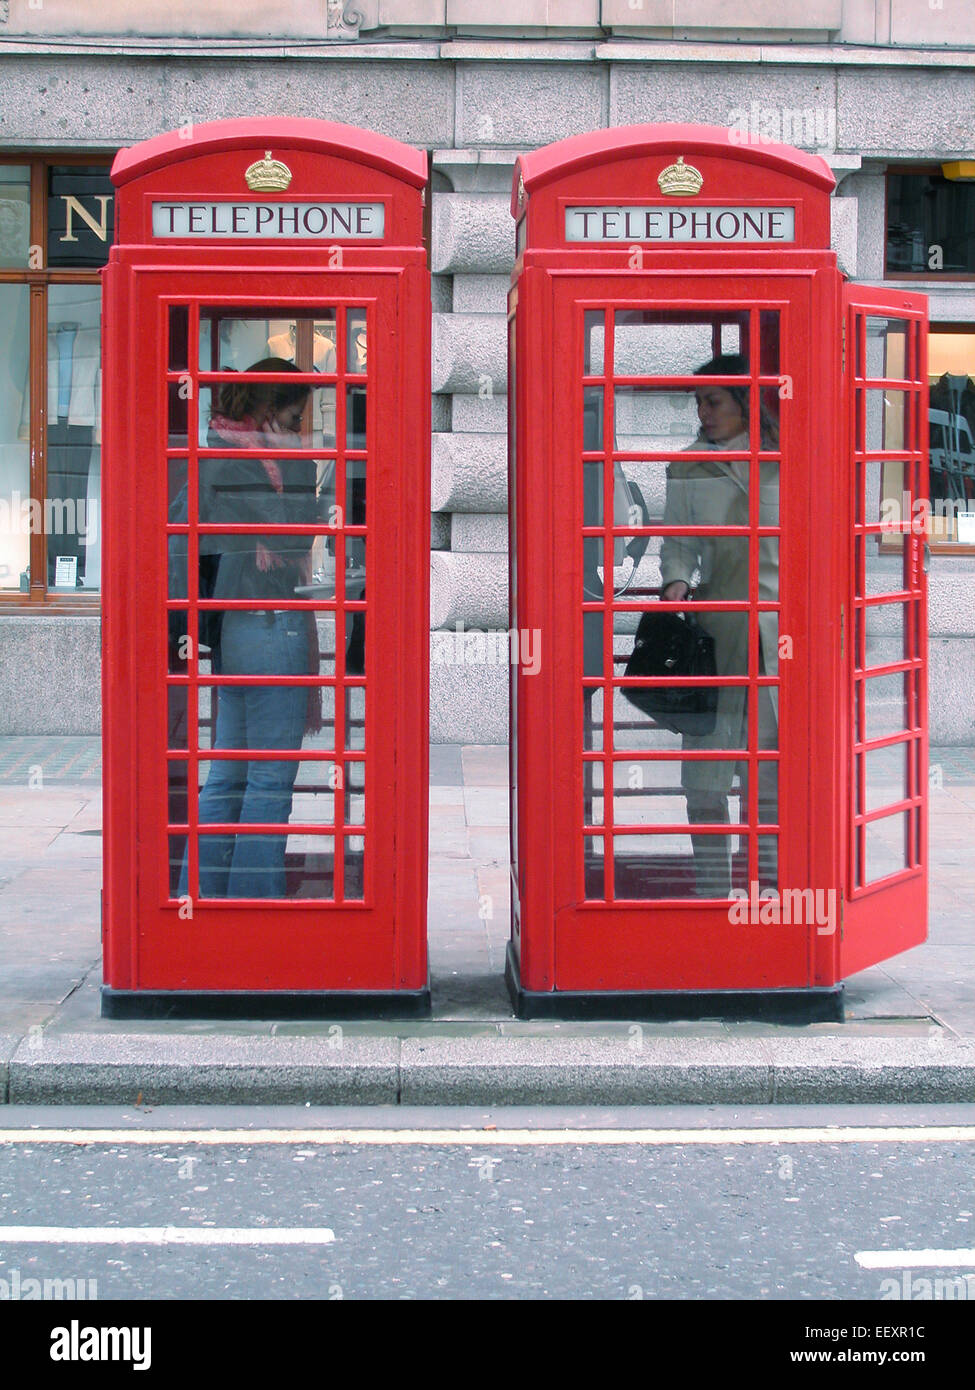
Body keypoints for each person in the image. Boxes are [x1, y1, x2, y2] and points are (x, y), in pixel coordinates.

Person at [179, 358, 321, 900]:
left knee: (227, 776)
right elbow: (288, 543)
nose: (299, 433)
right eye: (291, 420)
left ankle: (204, 902)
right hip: (272, 628)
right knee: (268, 780)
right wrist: (306, 462)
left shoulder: (215, 449)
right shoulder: (254, 466)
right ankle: (254, 908)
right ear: (264, 415)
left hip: (233, 635)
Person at [658, 353, 779, 897]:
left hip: (782, 632)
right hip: (719, 629)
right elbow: (678, 541)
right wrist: (675, 581)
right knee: (706, 773)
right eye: (698, 402)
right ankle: (711, 889)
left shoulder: (784, 457)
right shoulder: (686, 466)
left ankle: (771, 883)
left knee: (772, 771)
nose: (704, 413)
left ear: (746, 403)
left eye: (714, 401)